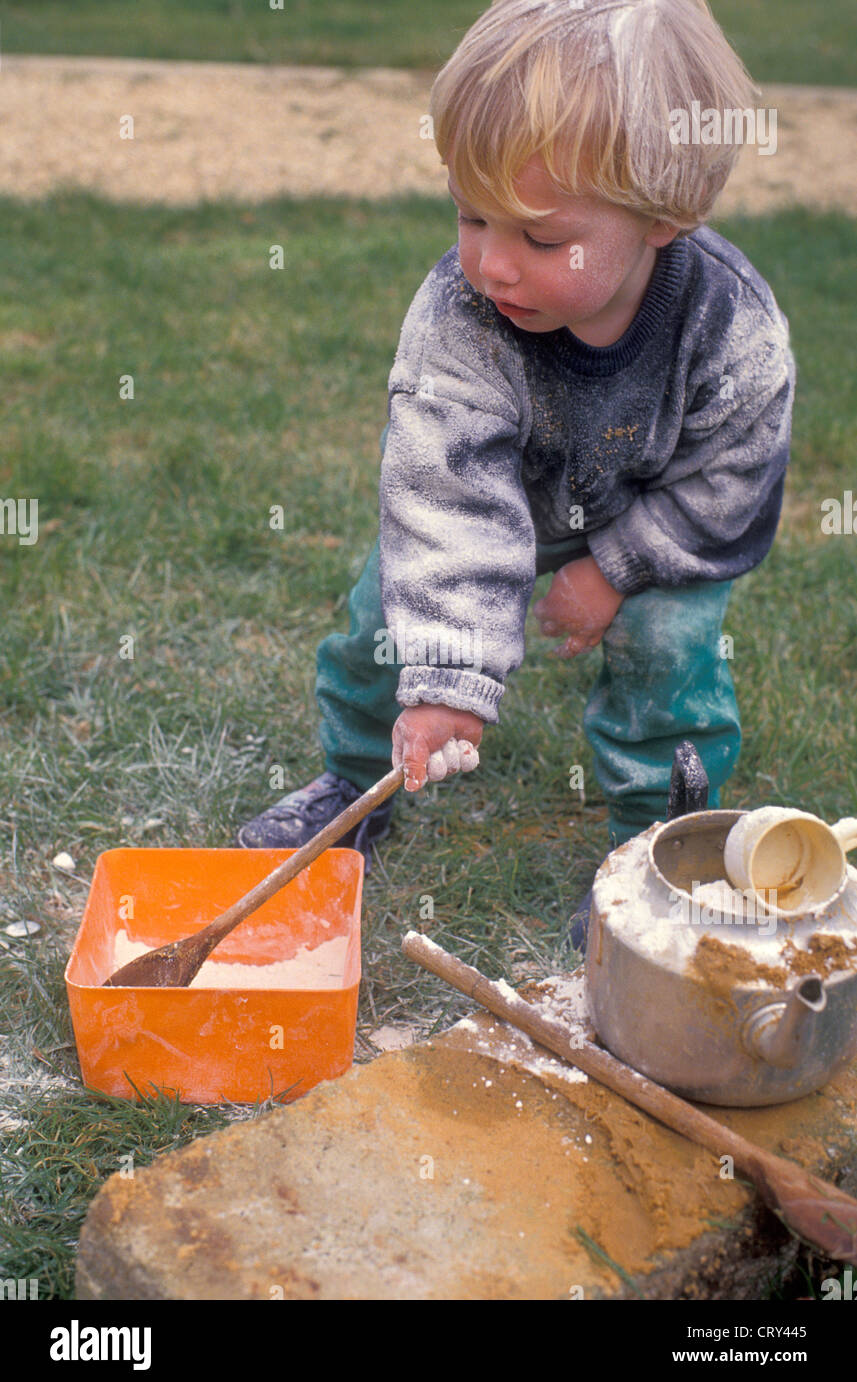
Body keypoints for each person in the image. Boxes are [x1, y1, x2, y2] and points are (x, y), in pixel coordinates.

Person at [238, 0, 796, 945]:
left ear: (664, 217)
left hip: (658, 522)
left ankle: (651, 848)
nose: (492, 263)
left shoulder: (729, 326)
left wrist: (616, 568)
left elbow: (731, 482)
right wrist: (450, 673)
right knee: (384, 623)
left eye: (541, 240)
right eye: (470, 214)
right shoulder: (460, 315)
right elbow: (443, 491)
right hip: (506, 509)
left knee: (668, 660)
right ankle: (353, 778)